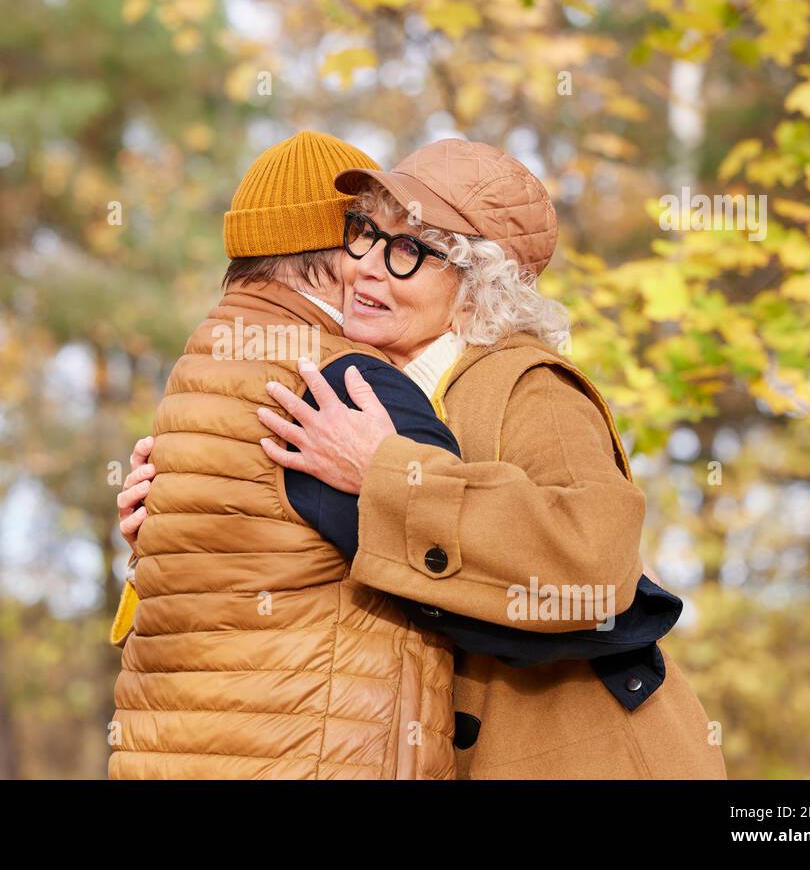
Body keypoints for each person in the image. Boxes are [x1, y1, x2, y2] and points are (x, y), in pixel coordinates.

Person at [112, 132, 696, 779]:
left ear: (480, 286)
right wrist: (168, 531)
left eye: (408, 250)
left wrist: (386, 474)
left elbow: (596, 566)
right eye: (363, 232)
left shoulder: (529, 386)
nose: (363, 265)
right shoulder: (375, 390)